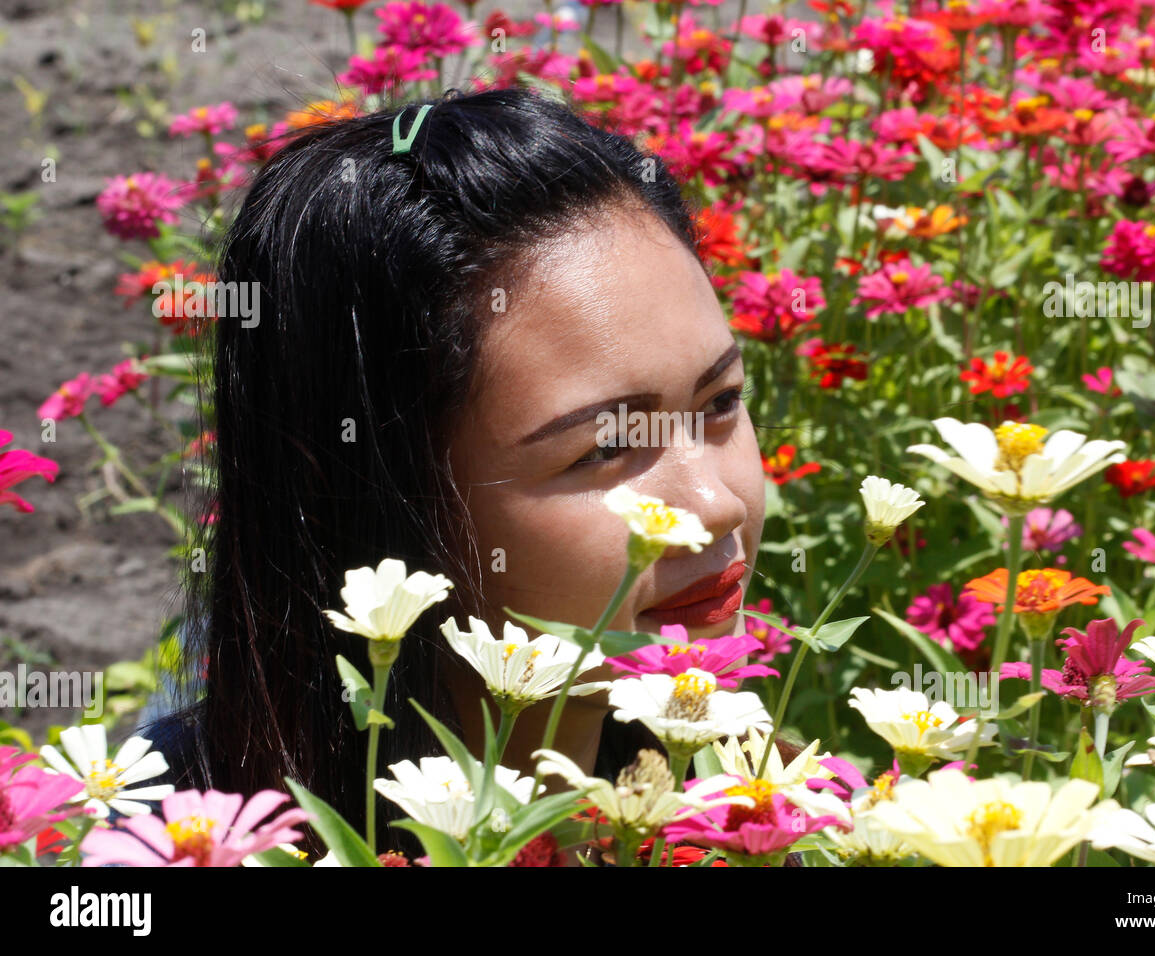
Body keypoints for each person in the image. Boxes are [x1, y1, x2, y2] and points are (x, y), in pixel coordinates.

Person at [142, 85, 774, 859]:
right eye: (604, 449)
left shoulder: (747, 805)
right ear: (381, 500)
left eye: (721, 400)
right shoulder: (170, 842)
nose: (714, 504)